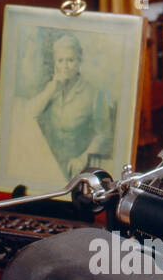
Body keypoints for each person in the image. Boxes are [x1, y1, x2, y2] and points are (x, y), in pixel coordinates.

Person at [27, 33, 117, 180]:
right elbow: (30, 113)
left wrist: (84, 157)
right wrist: (53, 87)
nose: (65, 66)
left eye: (70, 60)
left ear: (79, 61)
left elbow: (104, 134)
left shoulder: (94, 93)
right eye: (60, 60)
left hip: (78, 166)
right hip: (47, 161)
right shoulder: (50, 88)